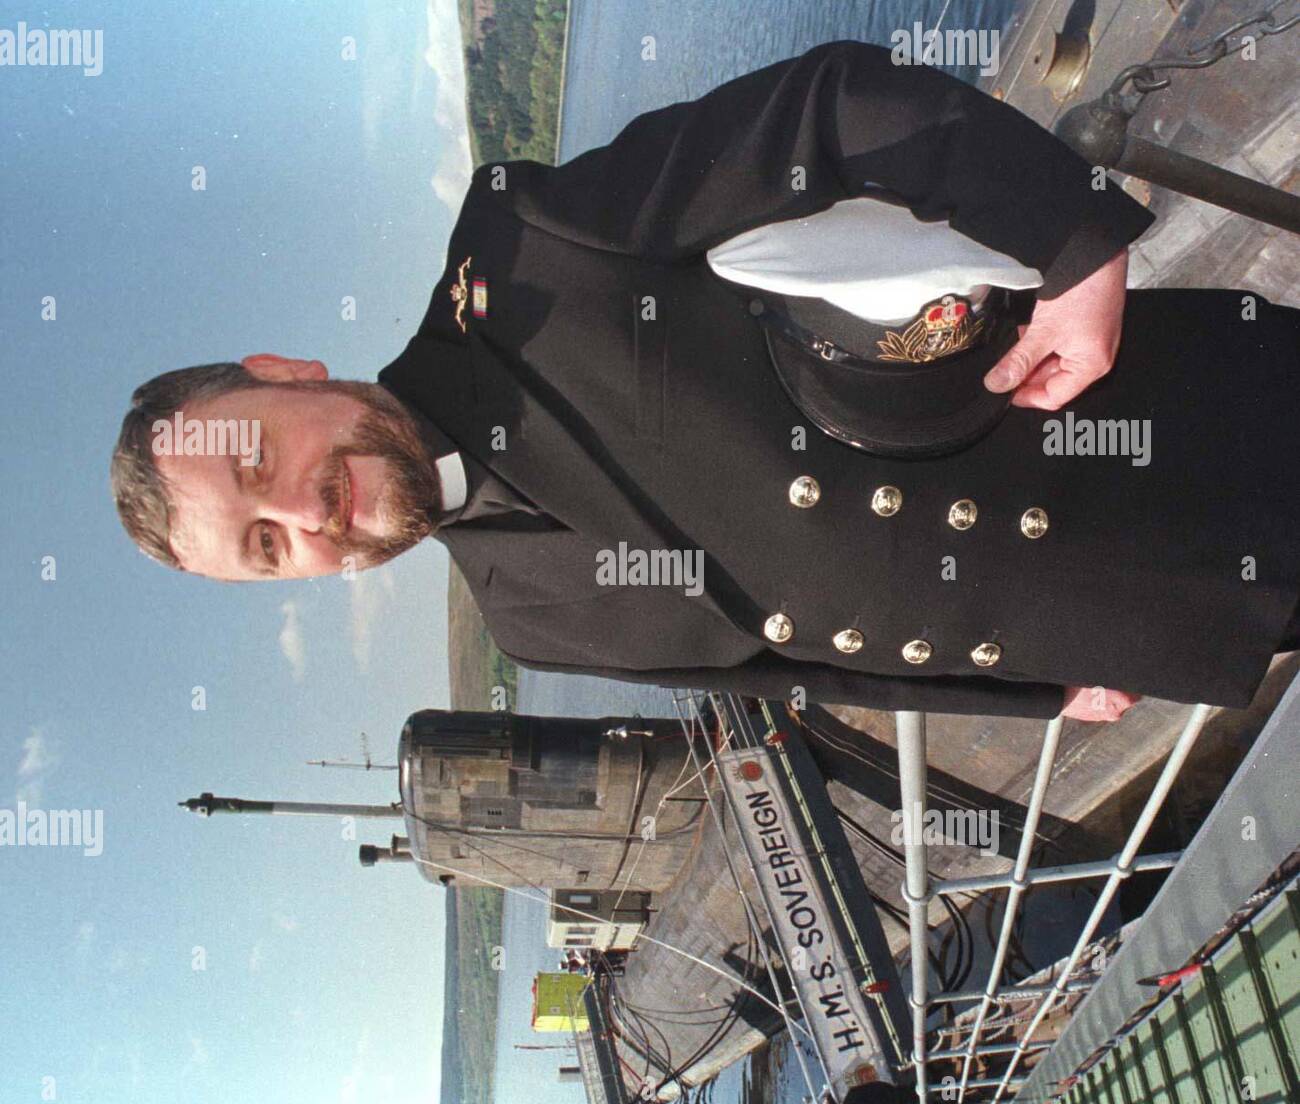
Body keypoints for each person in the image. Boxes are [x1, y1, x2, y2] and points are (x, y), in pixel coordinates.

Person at [109, 40, 1300, 722]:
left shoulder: (526, 260)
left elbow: (819, 111)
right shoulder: (534, 628)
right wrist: (1042, 698)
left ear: (283, 373)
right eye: (265, 545)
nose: (303, 513)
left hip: (1186, 436)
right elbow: (818, 670)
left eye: (258, 461)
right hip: (1161, 614)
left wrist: (1067, 242)